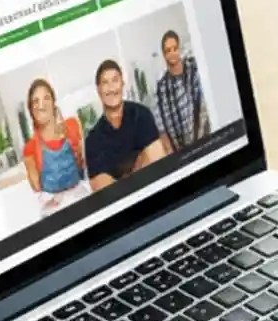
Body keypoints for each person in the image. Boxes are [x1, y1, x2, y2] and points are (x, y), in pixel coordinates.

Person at [85, 59, 168, 190]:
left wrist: (121, 180)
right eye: (105, 83)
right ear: (99, 90)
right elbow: (104, 192)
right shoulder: (93, 141)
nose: (111, 88)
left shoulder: (141, 115)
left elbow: (158, 162)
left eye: (115, 80)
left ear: (122, 83)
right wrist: (141, 161)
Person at [21, 79, 88, 217]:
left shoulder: (73, 126)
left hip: (80, 199)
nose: (41, 105)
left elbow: (83, 166)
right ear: (31, 110)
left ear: (53, 102)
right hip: (54, 211)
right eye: (35, 101)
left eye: (46, 97)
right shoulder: (30, 148)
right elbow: (37, 188)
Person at [153, 29, 210, 153]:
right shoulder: (161, 88)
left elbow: (204, 107)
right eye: (168, 50)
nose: (172, 53)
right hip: (179, 151)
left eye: (175, 48)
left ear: (179, 49)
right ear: (164, 55)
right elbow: (161, 127)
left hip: (204, 140)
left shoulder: (193, 70)